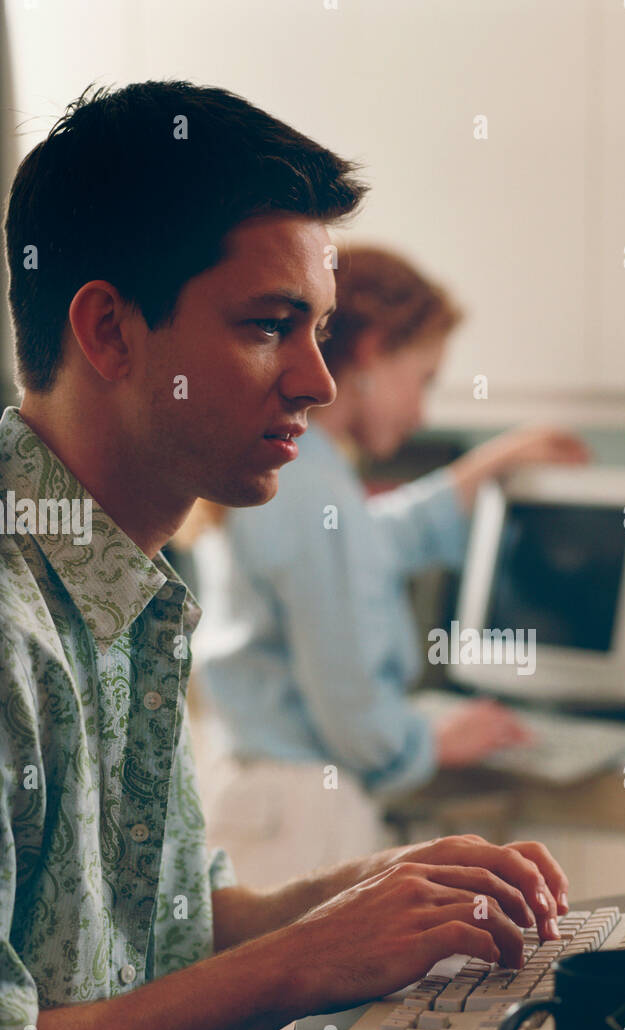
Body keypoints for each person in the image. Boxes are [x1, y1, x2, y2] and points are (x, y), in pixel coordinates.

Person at [0, 79, 625, 1030]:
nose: (319, 382)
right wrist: (303, 961)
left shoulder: (131, 589)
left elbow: (135, 945)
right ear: (110, 332)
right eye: (271, 325)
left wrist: (351, 900)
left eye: (321, 328)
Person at [189, 246, 590, 876]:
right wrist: (429, 739)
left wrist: (488, 466)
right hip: (301, 818)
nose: (424, 410)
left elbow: (370, 545)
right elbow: (352, 712)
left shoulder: (294, 466)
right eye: (425, 378)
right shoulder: (313, 488)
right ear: (372, 351)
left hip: (263, 800)